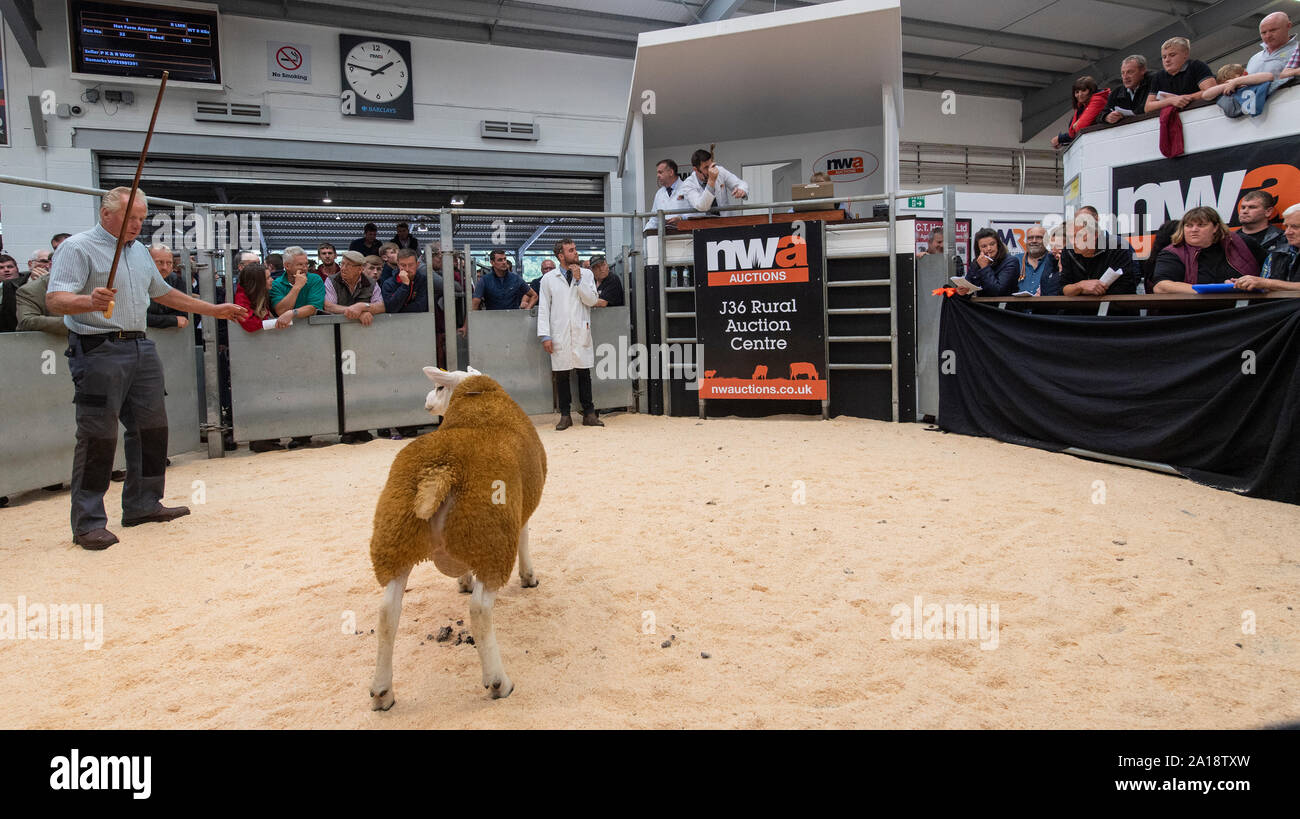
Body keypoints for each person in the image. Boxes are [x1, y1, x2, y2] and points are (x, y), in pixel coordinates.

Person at [44, 186, 248, 550]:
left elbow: (163, 293)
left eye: (141, 218)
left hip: (139, 344)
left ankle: (143, 503)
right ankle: (88, 522)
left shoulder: (138, 251)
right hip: (96, 348)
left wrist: (212, 309)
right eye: (130, 218)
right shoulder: (77, 247)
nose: (138, 225)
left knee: (152, 429)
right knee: (97, 436)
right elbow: (55, 300)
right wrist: (86, 300)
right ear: (106, 214)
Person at [537, 238, 602, 430]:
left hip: (581, 329)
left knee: (584, 372)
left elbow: (591, 300)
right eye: (571, 250)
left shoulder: (587, 274)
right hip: (559, 332)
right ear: (561, 255)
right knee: (562, 374)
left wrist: (579, 279)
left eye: (575, 249)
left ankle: (589, 413)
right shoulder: (548, 279)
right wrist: (545, 336)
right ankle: (565, 415)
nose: (576, 253)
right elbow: (543, 309)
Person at [1151, 206, 1266, 293]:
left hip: (1245, 310)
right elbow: (1161, 286)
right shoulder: (1172, 253)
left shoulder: (1242, 243)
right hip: (1194, 313)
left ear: (1215, 227)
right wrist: (1217, 290)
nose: (1194, 230)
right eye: (1189, 225)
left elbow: (1270, 273)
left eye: (1201, 225)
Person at [1059, 210, 1140, 297]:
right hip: (1078, 308)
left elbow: (1127, 287)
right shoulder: (1068, 251)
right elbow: (1063, 288)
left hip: (1115, 306)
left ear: (1095, 235)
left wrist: (1091, 289)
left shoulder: (1118, 247)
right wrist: (1080, 286)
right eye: (1071, 237)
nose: (1073, 242)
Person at [1235, 204, 1300, 292]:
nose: (1287, 232)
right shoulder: (1277, 253)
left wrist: (1266, 283)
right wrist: (1241, 283)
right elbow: (1264, 283)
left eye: (1295, 227)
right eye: (1286, 226)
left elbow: (1266, 282)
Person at [1144, 37, 1215, 113]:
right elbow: (1148, 107)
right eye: (1164, 57)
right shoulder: (1158, 76)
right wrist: (1171, 101)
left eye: (1172, 55)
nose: (1167, 60)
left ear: (1186, 54)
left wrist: (1184, 98)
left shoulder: (1196, 66)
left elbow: (1211, 90)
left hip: (1203, 113)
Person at [679, 148, 749, 218]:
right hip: (702, 226)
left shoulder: (720, 171)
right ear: (695, 169)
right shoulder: (688, 184)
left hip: (725, 221)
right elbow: (702, 207)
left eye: (711, 165)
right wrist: (711, 181)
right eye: (706, 167)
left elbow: (741, 183)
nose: (710, 170)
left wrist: (741, 190)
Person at [324, 250, 386, 326]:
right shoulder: (332, 280)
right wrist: (358, 312)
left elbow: (381, 306)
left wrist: (362, 306)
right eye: (342, 264)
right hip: (338, 329)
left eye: (348, 265)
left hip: (365, 329)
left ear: (360, 269)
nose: (343, 268)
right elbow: (329, 306)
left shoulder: (371, 283)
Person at [955, 229, 1019, 297]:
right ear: (978, 249)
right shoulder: (976, 262)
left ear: (998, 244)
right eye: (984, 246)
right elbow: (969, 286)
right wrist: (963, 291)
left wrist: (985, 267)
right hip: (980, 305)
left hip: (1001, 306)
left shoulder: (1011, 261)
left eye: (992, 244)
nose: (989, 248)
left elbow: (997, 291)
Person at [1051, 76, 1110, 148]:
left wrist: (1076, 125)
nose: (1080, 94)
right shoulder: (1081, 106)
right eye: (1077, 92)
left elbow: (1080, 127)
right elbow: (1072, 133)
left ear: (1091, 90)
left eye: (1084, 90)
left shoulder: (1098, 100)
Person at [1202, 63, 1278, 118]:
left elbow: (1269, 76)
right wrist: (1227, 85)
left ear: (1245, 74)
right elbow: (1206, 95)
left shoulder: (1253, 81)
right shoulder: (1225, 91)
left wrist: (1237, 81)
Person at [270, 246, 325, 320]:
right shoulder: (276, 284)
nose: (305, 268)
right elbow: (281, 311)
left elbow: (313, 308)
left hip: (312, 328)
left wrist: (293, 313)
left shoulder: (315, 279)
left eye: (306, 264)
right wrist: (297, 287)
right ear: (287, 266)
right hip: (285, 329)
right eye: (300, 265)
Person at [471, 249, 536, 312]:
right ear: (492, 262)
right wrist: (470, 322)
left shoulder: (516, 278)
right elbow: (475, 304)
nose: (504, 262)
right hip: (493, 320)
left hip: (514, 319)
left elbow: (534, 295)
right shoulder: (484, 280)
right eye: (500, 260)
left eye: (505, 259)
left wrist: (526, 311)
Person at [144, 244, 190, 330]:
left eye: (169, 263)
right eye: (159, 262)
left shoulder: (176, 281)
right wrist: (172, 320)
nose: (165, 267)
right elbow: (137, 317)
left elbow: (183, 316)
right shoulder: (136, 282)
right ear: (146, 262)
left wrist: (154, 319)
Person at [1102, 56, 1151, 124]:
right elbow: (1100, 114)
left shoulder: (1153, 83)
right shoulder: (1116, 92)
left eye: (1130, 72)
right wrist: (1106, 117)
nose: (1125, 77)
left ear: (1142, 70)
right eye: (1123, 73)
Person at [1015, 225, 1062, 296]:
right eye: (1030, 238)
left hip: (1045, 305)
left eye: (1039, 237)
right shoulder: (1015, 260)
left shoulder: (1054, 259)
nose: (1034, 241)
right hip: (1017, 305)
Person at [645, 158, 688, 232]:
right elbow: (654, 218)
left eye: (660, 172)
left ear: (671, 172)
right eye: (657, 173)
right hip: (664, 236)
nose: (657, 176)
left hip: (684, 234)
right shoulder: (659, 193)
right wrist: (646, 232)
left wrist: (681, 218)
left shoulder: (687, 188)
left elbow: (698, 213)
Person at [0, 254, 26, 332]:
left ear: (17, 269)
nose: (6, 270)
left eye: (10, 267)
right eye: (1, 268)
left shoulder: (28, 283)